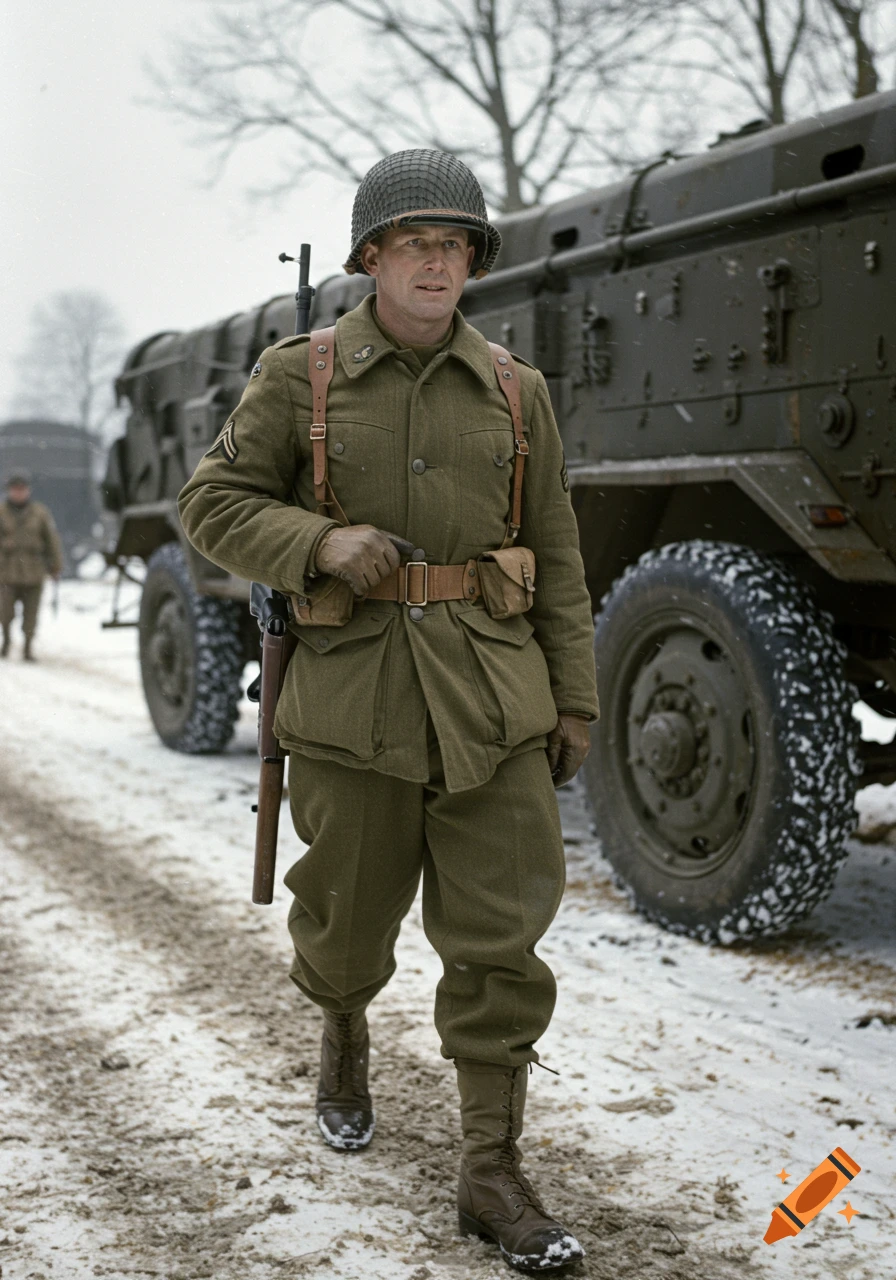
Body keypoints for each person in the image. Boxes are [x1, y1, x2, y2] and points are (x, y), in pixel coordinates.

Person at [179, 149, 599, 1274]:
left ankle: (490, 1168)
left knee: (501, 942)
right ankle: (344, 1034)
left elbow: (556, 554)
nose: (434, 262)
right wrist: (316, 542)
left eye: (453, 244)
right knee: (347, 920)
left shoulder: (518, 390)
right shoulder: (298, 376)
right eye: (413, 242)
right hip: (351, 701)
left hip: (491, 706)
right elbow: (209, 502)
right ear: (371, 258)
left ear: (471, 263)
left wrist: (576, 703)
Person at [0, 471, 62, 661]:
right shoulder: (1, 512)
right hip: (6, 573)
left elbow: (52, 540)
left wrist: (56, 565)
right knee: (5, 612)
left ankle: (27, 647)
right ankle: (7, 640)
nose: (19, 493)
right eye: (15, 490)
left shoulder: (39, 513)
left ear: (28, 491)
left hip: (33, 572)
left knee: (31, 615)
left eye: (22, 490)